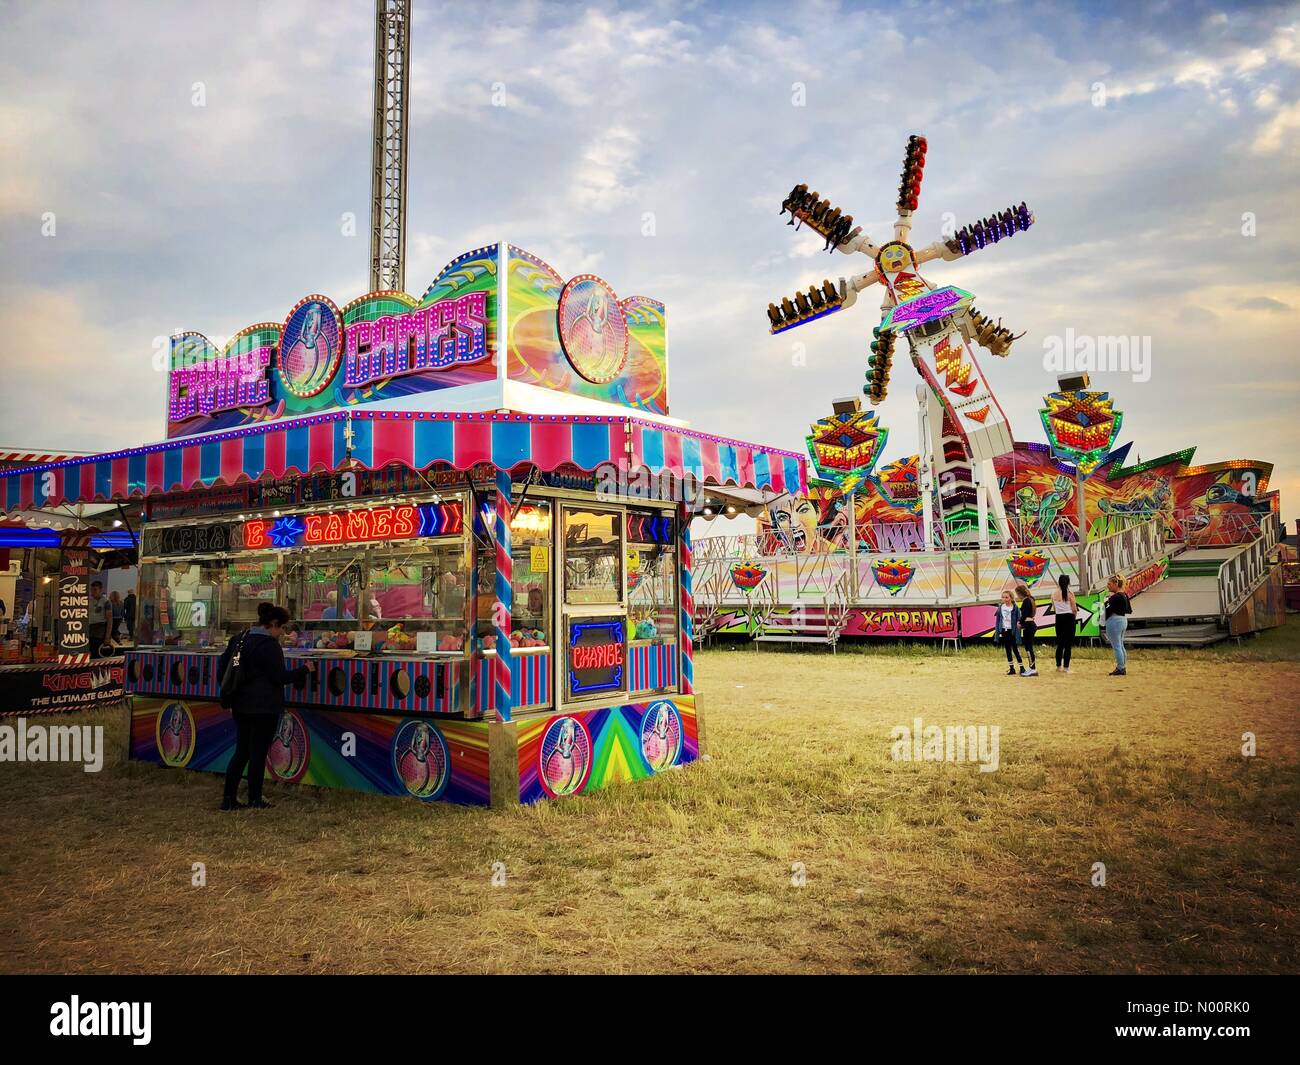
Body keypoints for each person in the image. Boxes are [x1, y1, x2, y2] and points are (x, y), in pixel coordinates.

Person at [217, 602, 308, 811]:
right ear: (273, 624)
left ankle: (228, 799)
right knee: (257, 754)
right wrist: (303, 670)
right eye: (282, 628)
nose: (283, 633)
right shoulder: (269, 646)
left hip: (240, 705)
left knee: (241, 752)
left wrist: (232, 694)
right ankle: (255, 799)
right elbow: (279, 677)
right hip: (264, 707)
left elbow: (224, 667)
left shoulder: (239, 639)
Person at [1104, 576, 1132, 677]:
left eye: (1109, 584)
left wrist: (1107, 601)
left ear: (1116, 584)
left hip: (1114, 620)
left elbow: (1107, 609)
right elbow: (1129, 610)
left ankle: (1120, 667)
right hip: (1123, 620)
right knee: (1120, 645)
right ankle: (1122, 666)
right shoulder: (1124, 595)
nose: (1108, 586)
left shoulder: (1114, 597)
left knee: (1116, 646)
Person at [993, 590, 1024, 676]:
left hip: (1012, 631)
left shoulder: (1015, 608)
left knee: (1015, 649)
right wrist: (998, 631)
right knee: (1007, 649)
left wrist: (1018, 629)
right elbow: (998, 620)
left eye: (1006, 597)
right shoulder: (1001, 607)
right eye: (1003, 597)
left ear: (1011, 598)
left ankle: (1022, 667)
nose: (1004, 599)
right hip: (1004, 630)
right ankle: (1011, 668)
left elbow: (1019, 618)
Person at [1052, 574, 1079, 673]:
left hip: (1059, 618)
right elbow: (1074, 609)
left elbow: (1054, 608)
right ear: (1068, 582)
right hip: (1069, 618)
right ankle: (1066, 668)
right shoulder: (1070, 593)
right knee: (1068, 645)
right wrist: (1073, 618)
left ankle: (1058, 666)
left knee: (1060, 644)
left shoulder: (1054, 593)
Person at [1015, 583, 1039, 677]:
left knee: (1029, 648)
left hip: (1029, 626)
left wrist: (1019, 623)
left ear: (1020, 594)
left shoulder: (1026, 601)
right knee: (1028, 648)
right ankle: (1031, 667)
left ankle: (1033, 668)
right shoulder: (1031, 599)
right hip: (1030, 625)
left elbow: (1024, 614)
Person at [88, 581, 110, 657]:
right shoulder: (89, 601)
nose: (92, 592)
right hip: (90, 629)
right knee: (90, 652)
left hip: (100, 631)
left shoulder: (106, 602)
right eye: (91, 589)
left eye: (95, 589)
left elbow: (110, 620)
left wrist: (107, 637)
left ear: (100, 590)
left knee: (96, 653)